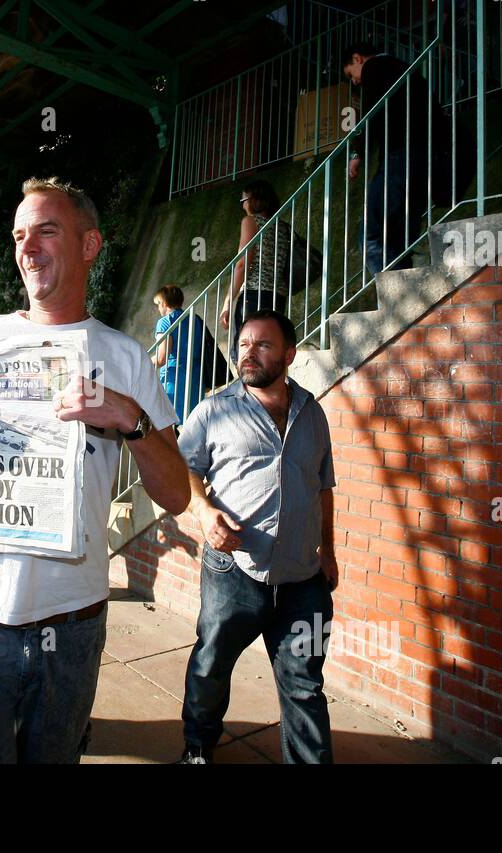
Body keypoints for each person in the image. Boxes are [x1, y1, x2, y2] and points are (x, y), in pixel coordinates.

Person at [0, 177, 190, 763]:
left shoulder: (126, 356)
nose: (28, 247)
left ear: (88, 245)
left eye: (46, 232)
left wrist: (132, 420)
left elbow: (177, 492)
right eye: (19, 236)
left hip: (71, 627)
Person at [176, 308, 339, 765]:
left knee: (305, 683)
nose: (249, 352)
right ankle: (198, 748)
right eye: (244, 343)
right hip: (234, 573)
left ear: (289, 354)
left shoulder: (313, 413)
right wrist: (205, 511)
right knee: (211, 666)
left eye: (263, 344)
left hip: (303, 578)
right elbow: (183, 467)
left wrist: (328, 549)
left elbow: (323, 485)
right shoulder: (214, 410)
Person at [342, 42, 452, 276]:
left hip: (402, 155)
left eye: (351, 74)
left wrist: (356, 153)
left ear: (358, 58)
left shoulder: (374, 67)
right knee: (400, 231)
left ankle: (395, 292)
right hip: (425, 155)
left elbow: (370, 114)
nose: (355, 82)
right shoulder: (403, 70)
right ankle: (406, 285)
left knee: (372, 232)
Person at [219, 180, 317, 364]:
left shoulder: (251, 222)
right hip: (277, 295)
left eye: (243, 201)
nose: (243, 206)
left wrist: (227, 302)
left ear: (254, 200)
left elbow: (242, 263)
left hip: (254, 294)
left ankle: (248, 389)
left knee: (244, 351)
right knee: (266, 347)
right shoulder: (283, 227)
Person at [151, 285, 207, 425]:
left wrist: (144, 361)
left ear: (164, 303)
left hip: (175, 377)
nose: (158, 308)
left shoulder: (164, 322)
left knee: (167, 422)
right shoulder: (193, 317)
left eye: (158, 304)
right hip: (195, 374)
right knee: (196, 420)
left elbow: (161, 358)